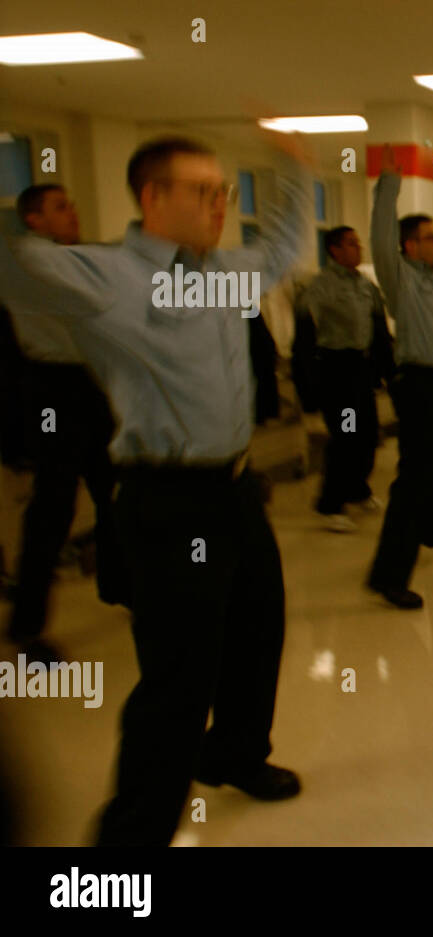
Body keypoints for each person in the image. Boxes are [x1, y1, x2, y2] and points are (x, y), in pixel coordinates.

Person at [0, 134, 311, 845]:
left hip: (237, 489)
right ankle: (124, 851)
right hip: (171, 501)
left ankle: (234, 753)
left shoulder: (222, 272)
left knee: (257, 631)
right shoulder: (108, 276)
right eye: (202, 192)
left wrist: (296, 170)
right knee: (179, 678)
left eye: (222, 193)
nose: (218, 205)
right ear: (153, 198)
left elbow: (279, 250)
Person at [5, 184, 128, 666]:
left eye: (72, 203)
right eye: (60, 207)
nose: (72, 212)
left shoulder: (66, 257)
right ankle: (27, 627)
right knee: (53, 507)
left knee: (113, 490)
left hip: (86, 386)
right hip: (50, 390)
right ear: (33, 219)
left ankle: (121, 586)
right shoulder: (28, 258)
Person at [365, 146, 433, 610]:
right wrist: (389, 183)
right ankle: (389, 575)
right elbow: (380, 232)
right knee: (415, 478)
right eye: (430, 238)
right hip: (418, 386)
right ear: (410, 246)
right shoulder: (400, 277)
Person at [297, 225, 390, 532]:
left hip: (361, 370)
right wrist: (308, 388)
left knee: (368, 435)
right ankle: (330, 504)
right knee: (346, 437)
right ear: (334, 250)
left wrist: (385, 372)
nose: (358, 248)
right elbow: (304, 337)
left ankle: (357, 489)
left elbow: (379, 331)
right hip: (337, 372)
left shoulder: (366, 286)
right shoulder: (320, 287)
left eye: (357, 242)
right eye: (351, 243)